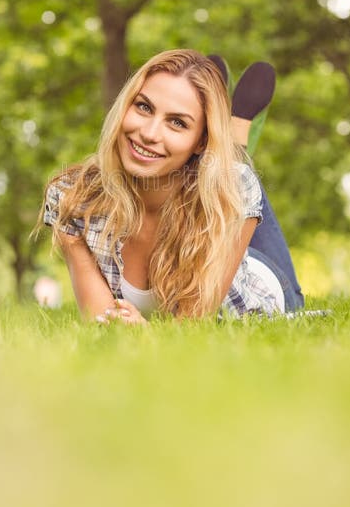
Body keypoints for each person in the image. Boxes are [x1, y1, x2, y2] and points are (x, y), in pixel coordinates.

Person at [37, 49, 303, 324]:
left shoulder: (235, 187)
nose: (149, 134)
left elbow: (190, 326)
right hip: (208, 181)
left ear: (200, 142)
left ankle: (233, 138)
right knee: (228, 175)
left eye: (177, 122)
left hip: (261, 284)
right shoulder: (72, 198)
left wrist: (145, 334)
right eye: (143, 107)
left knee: (235, 177)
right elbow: (102, 322)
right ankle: (224, 135)